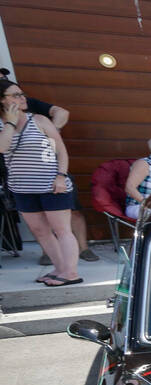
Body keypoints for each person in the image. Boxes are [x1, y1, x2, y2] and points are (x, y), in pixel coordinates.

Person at [0, 69, 96, 262]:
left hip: (51, 170)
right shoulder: (5, 120)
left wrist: (52, 132)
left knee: (70, 215)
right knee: (41, 225)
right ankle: (52, 257)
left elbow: (61, 113)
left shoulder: (31, 106)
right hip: (22, 179)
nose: (3, 79)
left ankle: (82, 250)